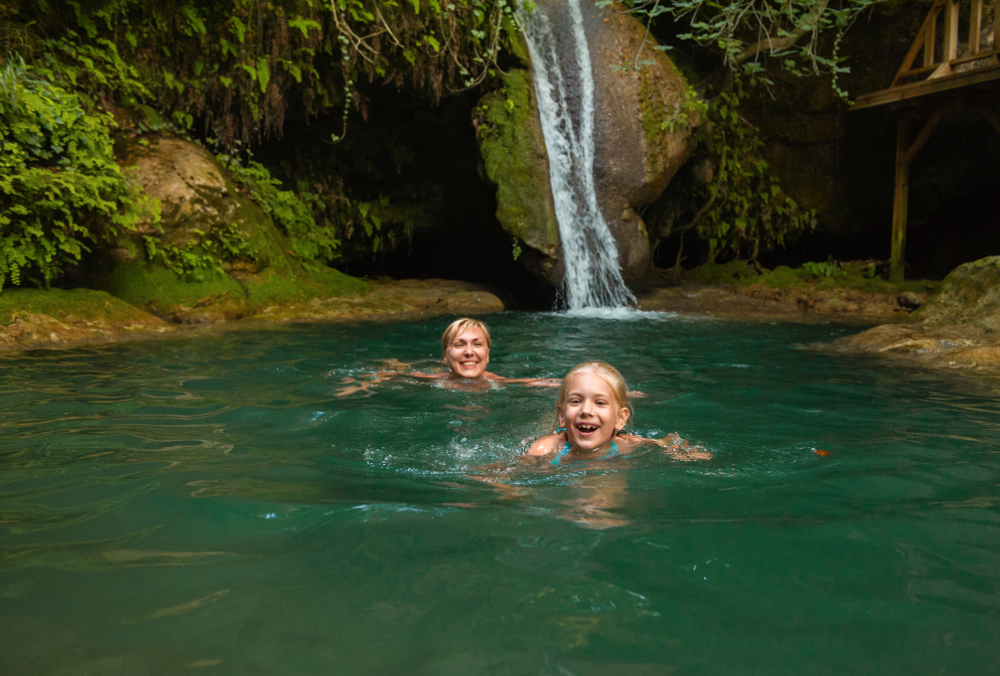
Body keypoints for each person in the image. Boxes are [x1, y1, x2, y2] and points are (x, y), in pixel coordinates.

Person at [526, 361, 711, 462]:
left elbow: (666, 442)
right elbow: (516, 471)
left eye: (600, 402)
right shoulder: (546, 449)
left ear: (620, 419)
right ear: (561, 415)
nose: (586, 410)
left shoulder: (625, 444)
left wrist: (681, 451)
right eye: (576, 401)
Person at [336, 318, 559, 396]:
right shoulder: (434, 380)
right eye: (459, 345)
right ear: (445, 356)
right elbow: (387, 376)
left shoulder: (497, 382)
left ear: (488, 355)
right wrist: (360, 384)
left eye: (477, 344)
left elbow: (533, 383)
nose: (469, 352)